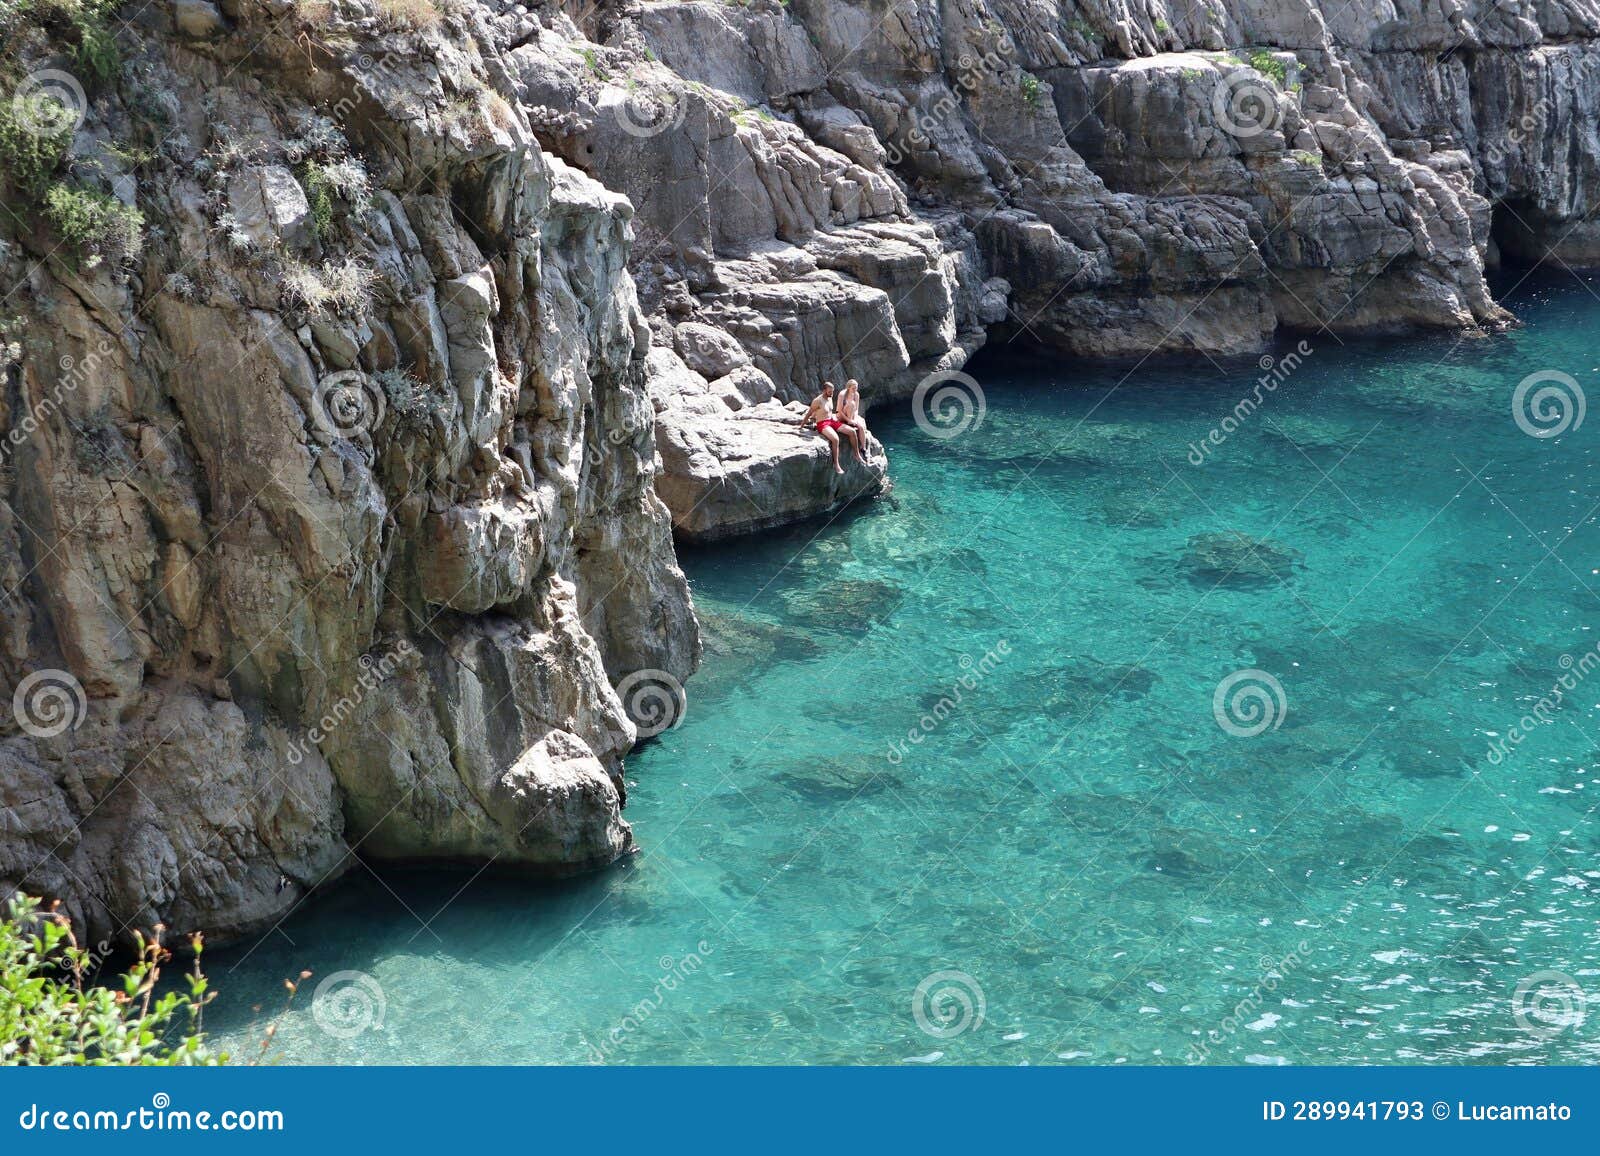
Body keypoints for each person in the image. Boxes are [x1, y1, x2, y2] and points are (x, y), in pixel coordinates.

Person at [801, 381, 860, 474]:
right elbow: (809, 413)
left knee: (852, 431)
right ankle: (836, 464)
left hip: (831, 421)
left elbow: (830, 412)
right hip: (822, 424)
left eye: (832, 391)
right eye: (829, 392)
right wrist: (801, 426)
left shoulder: (830, 398)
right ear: (824, 390)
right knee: (835, 439)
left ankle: (857, 455)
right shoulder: (817, 401)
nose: (832, 394)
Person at [837, 379, 872, 465]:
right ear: (848, 387)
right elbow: (839, 410)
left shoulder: (856, 394)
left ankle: (863, 448)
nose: (855, 389)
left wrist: (854, 419)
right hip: (842, 415)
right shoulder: (842, 394)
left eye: (856, 387)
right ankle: (850, 423)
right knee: (851, 404)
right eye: (853, 388)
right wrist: (848, 420)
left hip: (851, 415)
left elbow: (856, 410)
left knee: (860, 427)